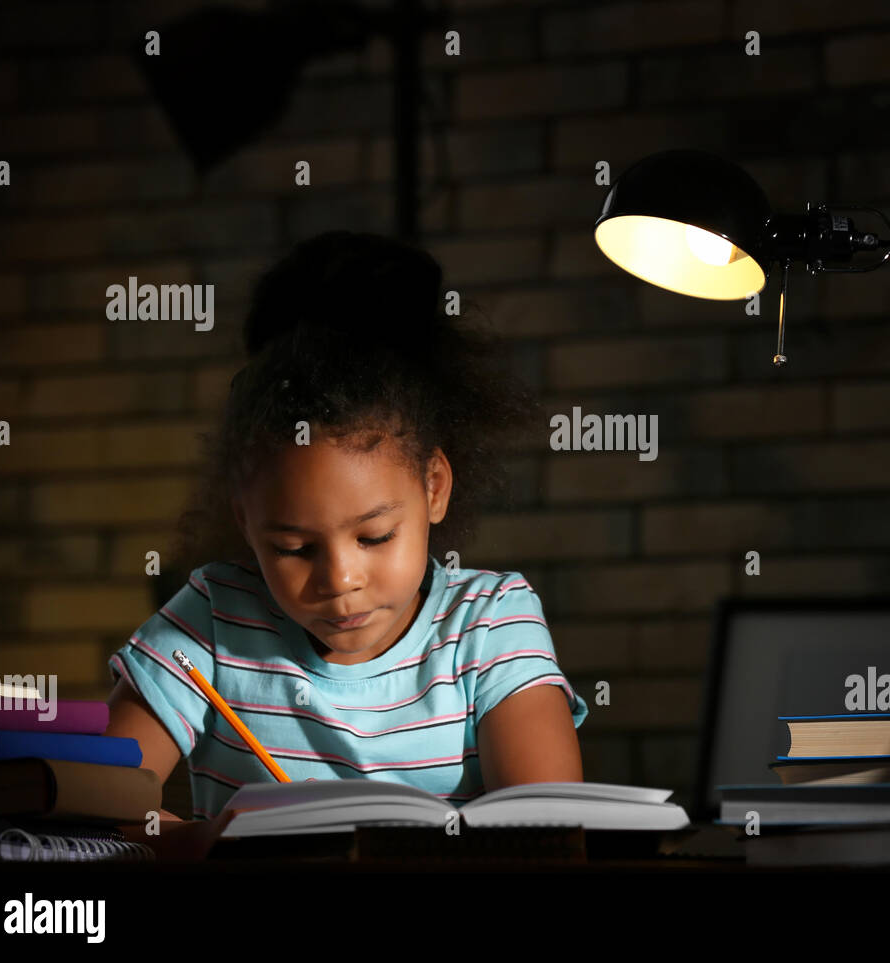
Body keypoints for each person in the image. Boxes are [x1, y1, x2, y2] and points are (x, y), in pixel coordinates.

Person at [103, 231, 587, 856]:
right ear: (245, 520)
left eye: (375, 536)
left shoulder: (490, 625)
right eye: (293, 548)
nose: (339, 580)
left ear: (434, 487)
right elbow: (95, 800)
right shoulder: (212, 620)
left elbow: (549, 841)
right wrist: (209, 844)